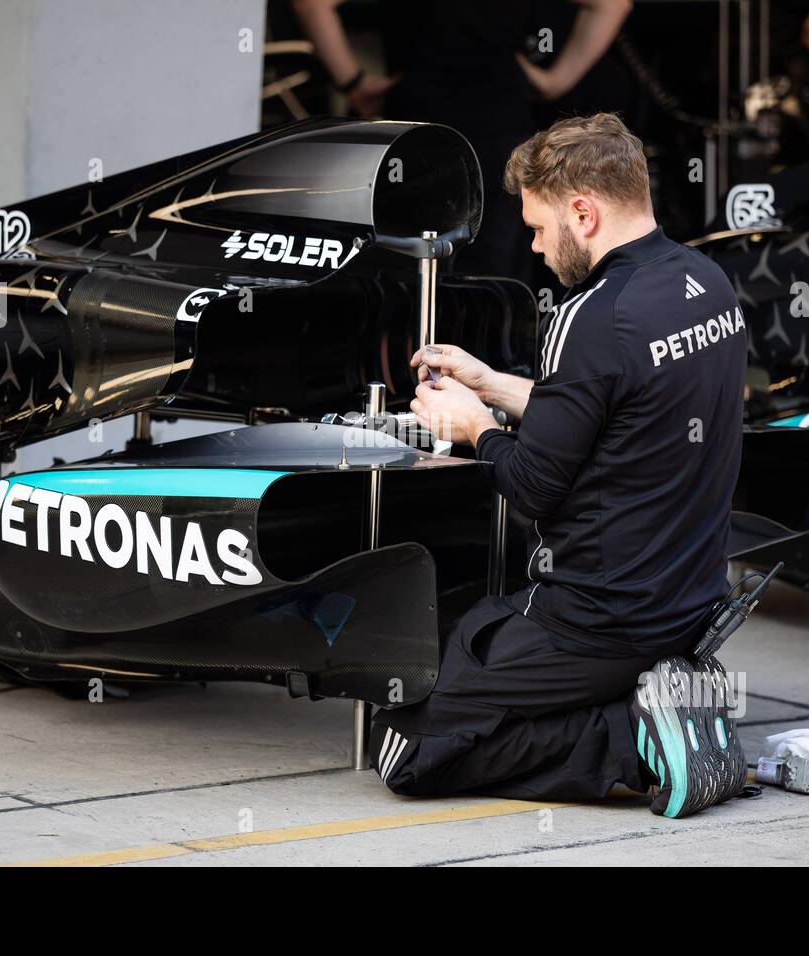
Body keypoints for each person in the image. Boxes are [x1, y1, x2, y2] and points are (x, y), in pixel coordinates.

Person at [371, 113, 749, 818]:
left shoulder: (591, 314)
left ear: (584, 211)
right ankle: (668, 699)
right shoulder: (707, 284)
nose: (537, 248)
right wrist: (491, 382)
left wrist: (473, 428)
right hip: (689, 603)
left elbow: (532, 484)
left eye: (540, 228)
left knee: (405, 745)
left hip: (599, 617)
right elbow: (617, 412)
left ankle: (638, 740)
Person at [291, 0, 631, 285]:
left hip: (417, 125)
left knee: (405, 275)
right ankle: (486, 362)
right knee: (489, 281)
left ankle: (412, 360)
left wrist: (353, 83)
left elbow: (311, 4)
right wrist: (557, 80)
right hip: (497, 124)